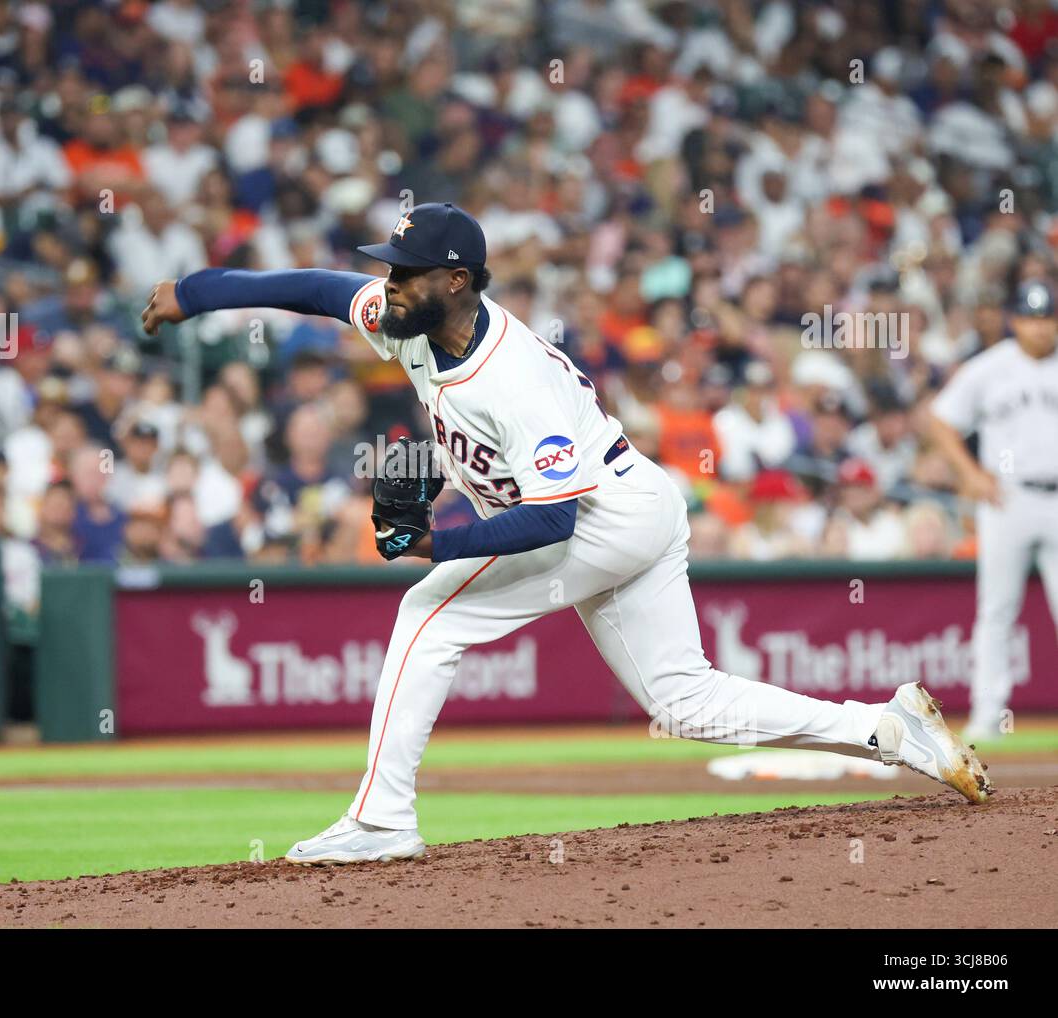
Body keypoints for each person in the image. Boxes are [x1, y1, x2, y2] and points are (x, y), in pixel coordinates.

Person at [142, 201, 993, 866]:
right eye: (389, 269)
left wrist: (432, 545)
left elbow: (550, 520)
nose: (388, 283)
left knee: (426, 616)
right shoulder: (404, 319)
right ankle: (885, 731)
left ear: (459, 281)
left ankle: (380, 817)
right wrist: (197, 292)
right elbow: (314, 289)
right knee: (684, 701)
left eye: (405, 272)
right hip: (631, 502)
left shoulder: (509, 377)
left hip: (602, 516)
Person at [927, 280, 1058, 743]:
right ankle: (987, 714)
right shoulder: (991, 367)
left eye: (1047, 318)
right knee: (997, 609)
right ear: (1015, 320)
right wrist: (969, 474)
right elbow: (940, 419)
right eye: (1031, 317)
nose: (1040, 327)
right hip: (1010, 498)